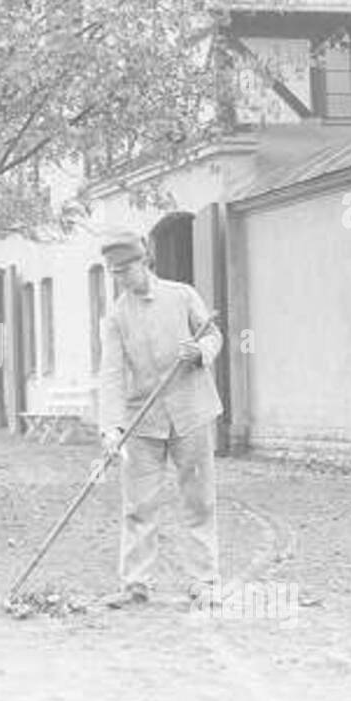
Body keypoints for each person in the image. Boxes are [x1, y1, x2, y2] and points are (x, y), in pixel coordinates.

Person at [97, 230, 224, 610]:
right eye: (115, 273)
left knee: (198, 500)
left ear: (145, 261)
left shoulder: (182, 295)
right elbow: (112, 374)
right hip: (143, 422)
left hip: (192, 412)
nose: (122, 278)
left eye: (127, 269)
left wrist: (200, 350)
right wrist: (112, 427)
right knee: (138, 506)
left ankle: (204, 581)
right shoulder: (117, 316)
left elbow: (214, 334)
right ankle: (135, 584)